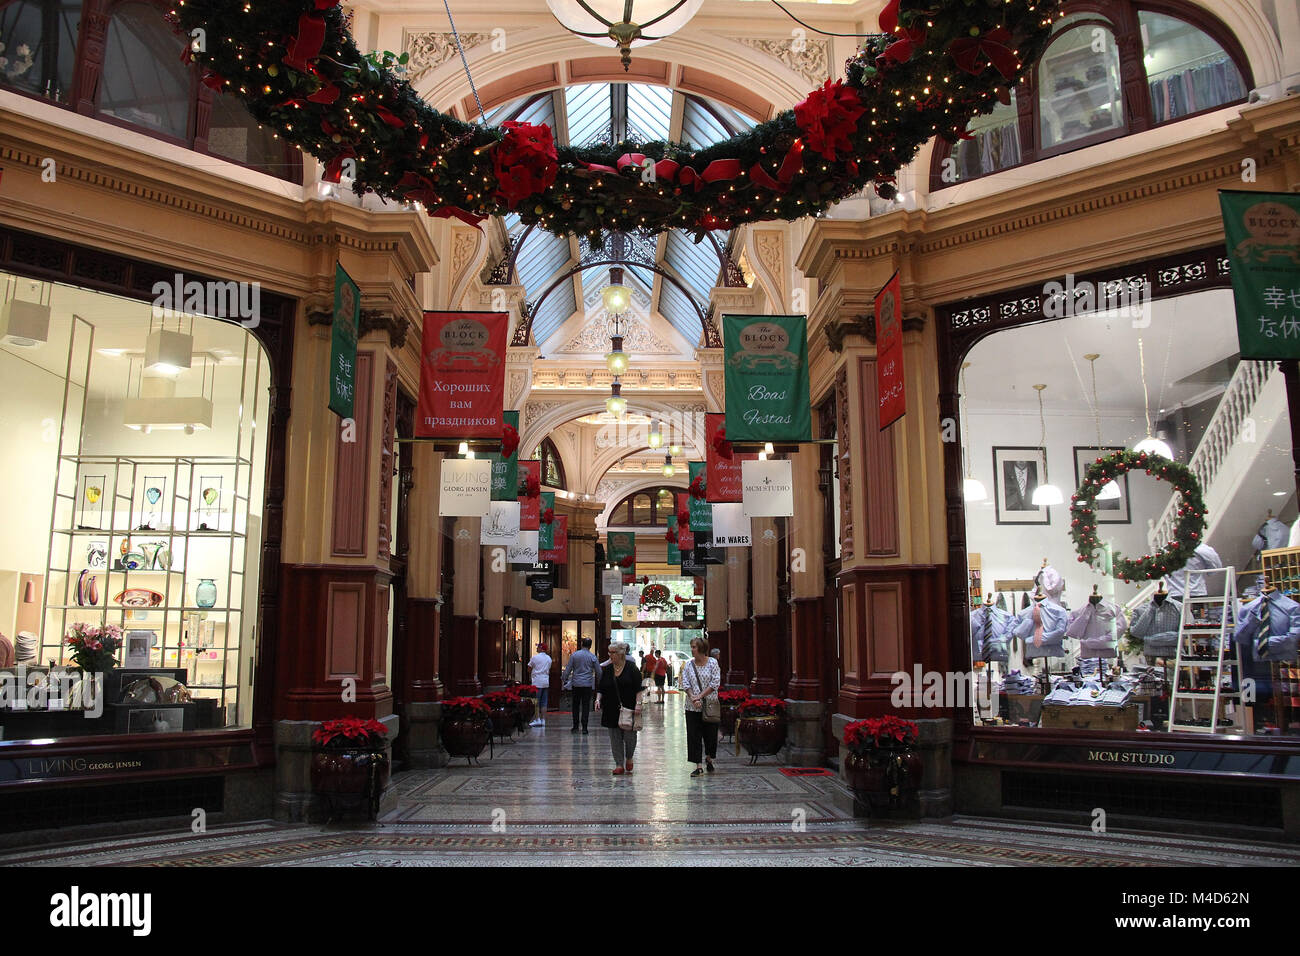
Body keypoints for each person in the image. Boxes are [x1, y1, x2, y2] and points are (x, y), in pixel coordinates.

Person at [596, 641, 644, 775]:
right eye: (609, 652)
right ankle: (618, 763)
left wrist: (638, 704)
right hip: (611, 707)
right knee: (614, 738)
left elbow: (638, 689)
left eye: (613, 652)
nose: (610, 655)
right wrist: (598, 699)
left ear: (621, 653)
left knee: (629, 737)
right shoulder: (608, 670)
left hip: (629, 707)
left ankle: (629, 757)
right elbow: (602, 687)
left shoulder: (632, 668)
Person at [680, 636, 720, 777]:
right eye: (691, 647)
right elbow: (685, 683)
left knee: (710, 735)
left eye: (694, 647)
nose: (692, 650)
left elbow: (715, 683)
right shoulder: (688, 665)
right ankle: (698, 765)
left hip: (709, 705)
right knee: (693, 736)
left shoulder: (712, 663)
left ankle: (709, 758)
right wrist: (693, 698)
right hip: (692, 707)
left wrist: (700, 696)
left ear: (702, 649)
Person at [563, 637, 599, 734]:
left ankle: (575, 726)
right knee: (586, 705)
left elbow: (568, 669)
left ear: (582, 644)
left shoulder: (575, 655)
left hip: (576, 683)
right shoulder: (592, 657)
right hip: (587, 684)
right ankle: (585, 727)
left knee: (575, 705)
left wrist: (564, 679)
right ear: (590, 646)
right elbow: (599, 671)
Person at [528, 642, 552, 726]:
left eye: (538, 647)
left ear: (541, 648)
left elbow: (529, 668)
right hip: (545, 681)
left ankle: (537, 718)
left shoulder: (535, 658)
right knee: (544, 702)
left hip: (537, 682)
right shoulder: (549, 658)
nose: (536, 648)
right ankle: (543, 720)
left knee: (536, 701)